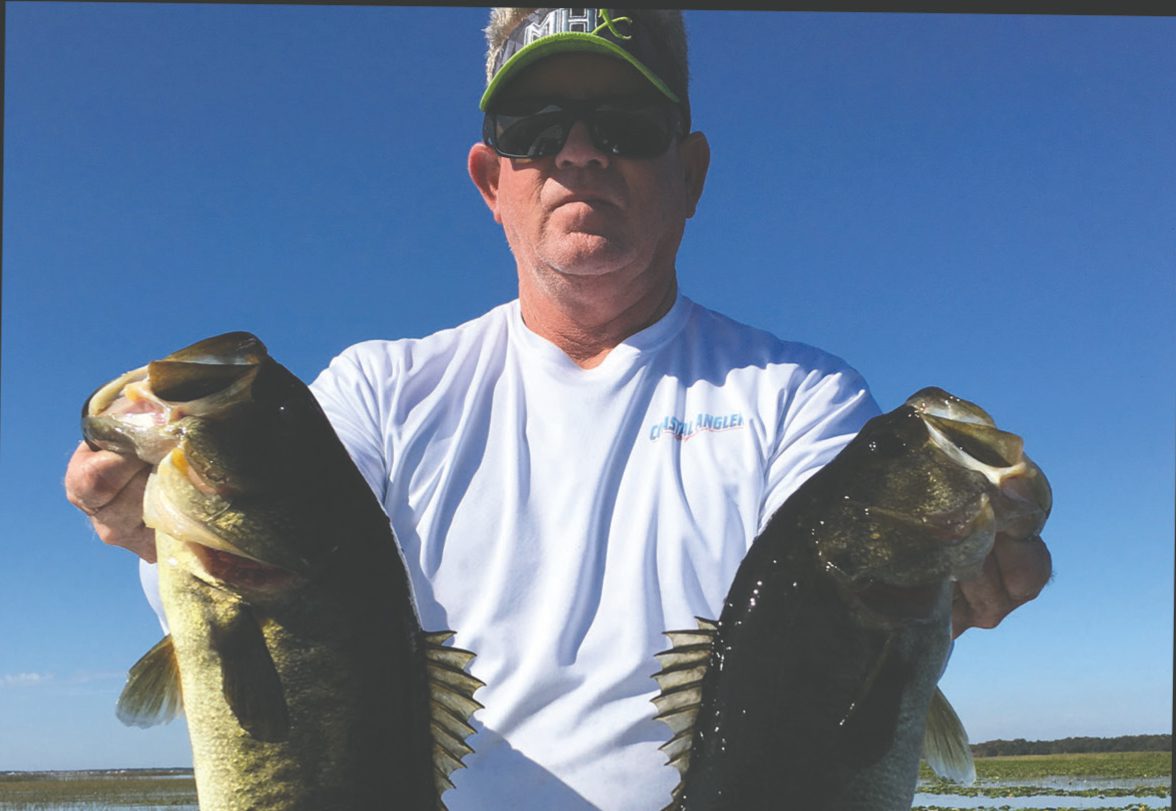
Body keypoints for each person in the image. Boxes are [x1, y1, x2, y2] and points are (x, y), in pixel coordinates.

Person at [64, 8, 1052, 810]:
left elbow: (835, 623)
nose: (577, 154)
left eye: (624, 125)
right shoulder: (378, 388)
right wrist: (148, 518)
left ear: (692, 172)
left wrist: (950, 571)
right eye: (534, 133)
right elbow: (280, 601)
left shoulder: (798, 397)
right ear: (492, 181)